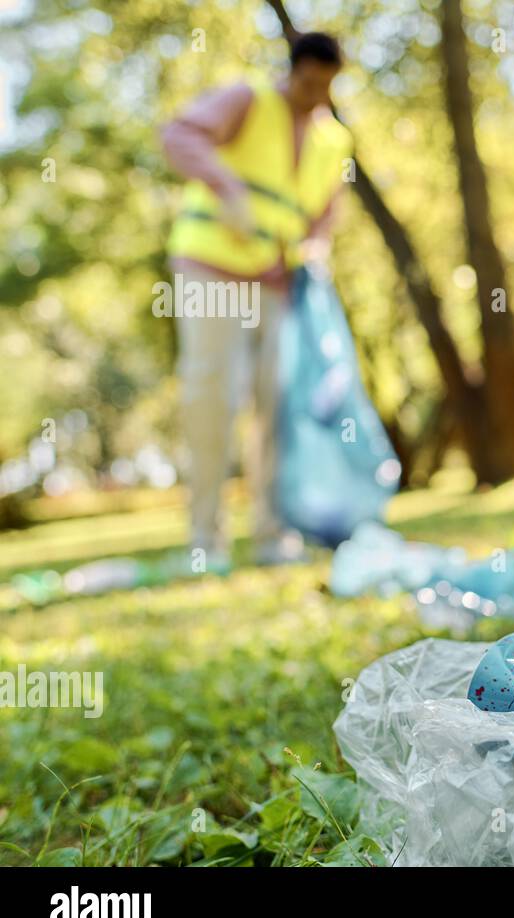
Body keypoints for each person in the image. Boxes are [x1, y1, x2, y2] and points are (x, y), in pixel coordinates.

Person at [160, 32, 353, 568]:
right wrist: (228, 187)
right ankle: (205, 541)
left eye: (326, 87)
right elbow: (178, 135)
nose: (315, 95)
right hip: (212, 268)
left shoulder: (334, 141)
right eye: (308, 83)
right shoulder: (247, 100)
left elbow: (323, 217)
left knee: (278, 407)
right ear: (292, 71)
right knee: (213, 398)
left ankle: (272, 535)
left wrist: (313, 251)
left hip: (277, 282)